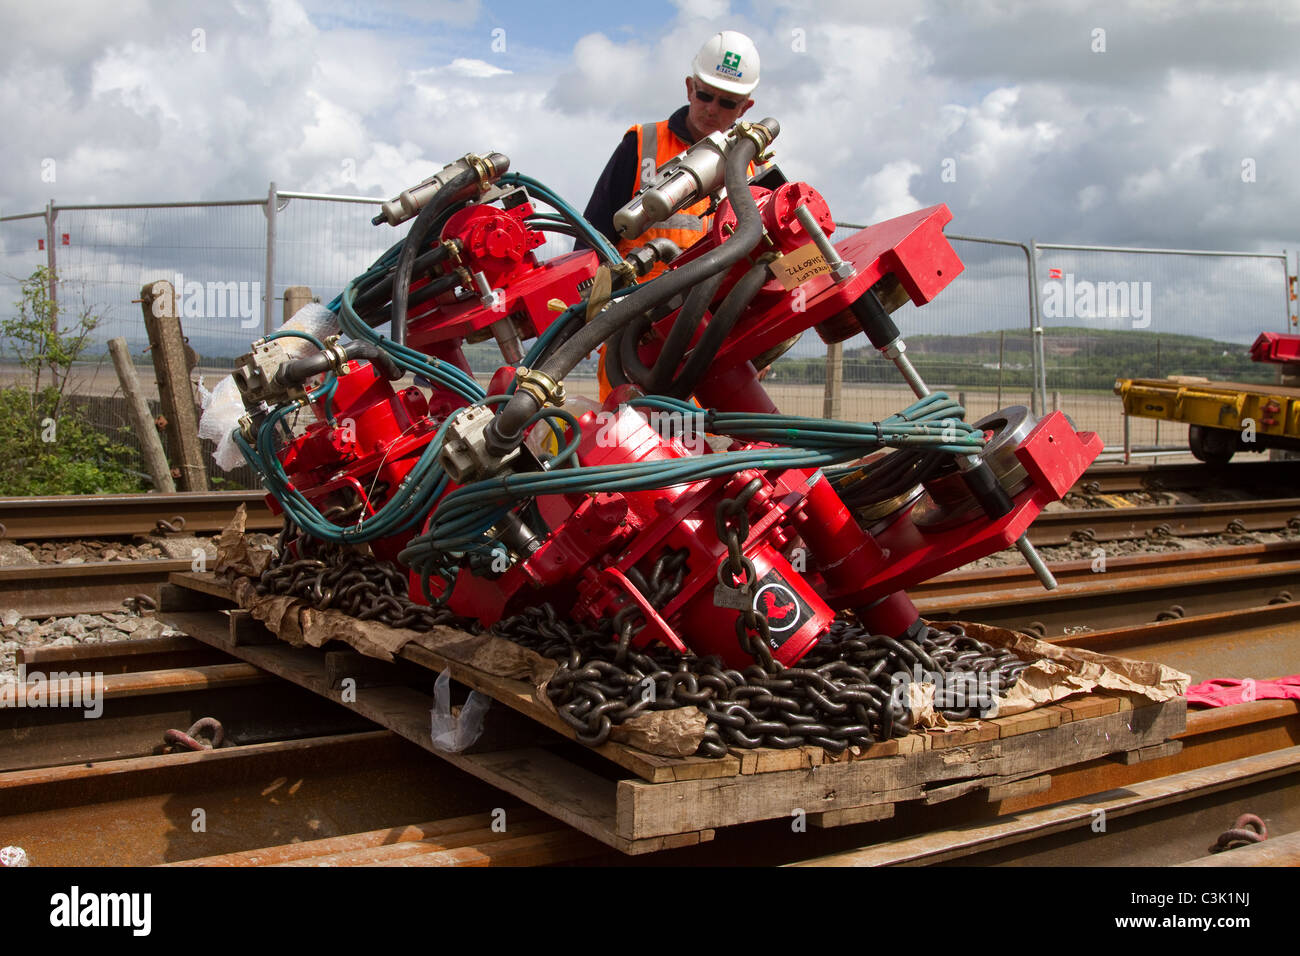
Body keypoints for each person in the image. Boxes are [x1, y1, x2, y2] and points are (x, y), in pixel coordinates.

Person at [581, 30, 762, 397]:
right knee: (622, 444)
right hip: (631, 337)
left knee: (691, 447)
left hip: (701, 342)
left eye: (727, 103)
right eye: (705, 95)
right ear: (688, 87)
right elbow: (590, 239)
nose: (712, 109)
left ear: (746, 108)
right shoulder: (641, 145)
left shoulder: (752, 172)